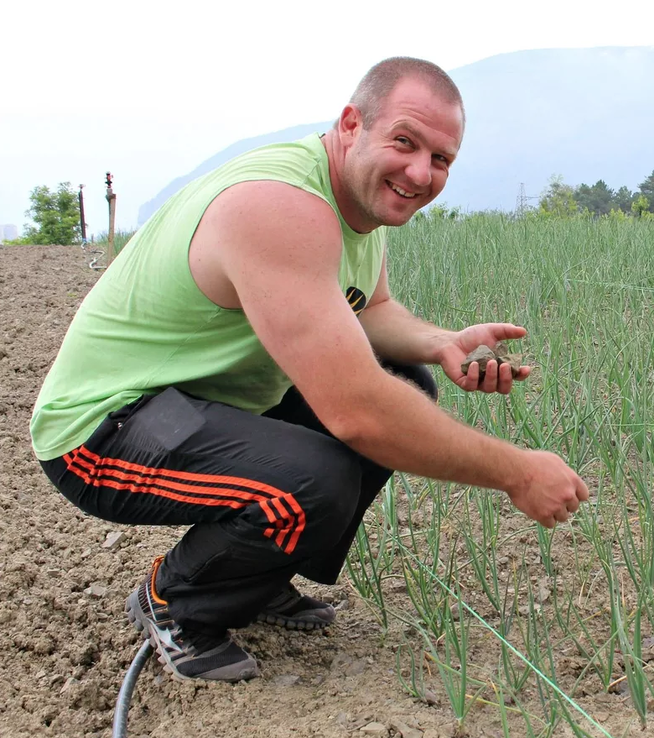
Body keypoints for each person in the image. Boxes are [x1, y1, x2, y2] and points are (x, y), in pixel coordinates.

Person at [28, 57, 589, 683]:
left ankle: (254, 577)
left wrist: (442, 343)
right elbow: (358, 414)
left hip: (196, 403)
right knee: (316, 477)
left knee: (406, 378)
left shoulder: (356, 201)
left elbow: (368, 309)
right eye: (405, 142)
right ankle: (174, 599)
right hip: (103, 429)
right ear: (352, 124)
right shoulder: (282, 205)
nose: (419, 172)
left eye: (441, 159)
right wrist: (517, 472)